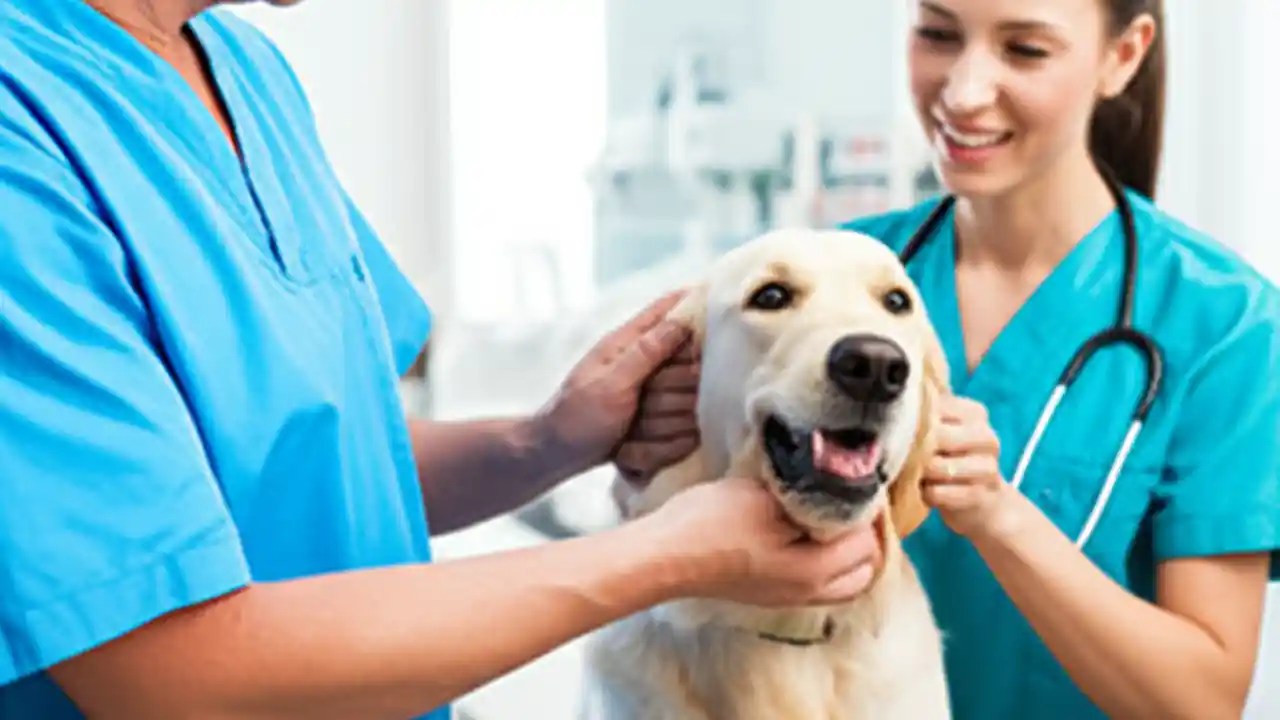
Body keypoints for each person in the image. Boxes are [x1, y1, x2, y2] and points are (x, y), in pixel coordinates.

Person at [0, 1, 887, 718]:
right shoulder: (22, 119)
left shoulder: (244, 70)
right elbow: (166, 668)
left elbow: (324, 469)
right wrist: (662, 557)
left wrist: (541, 445)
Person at [633, 0, 1279, 717]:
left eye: (1026, 50)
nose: (964, 92)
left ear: (1122, 56)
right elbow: (691, 520)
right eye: (938, 35)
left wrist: (999, 516)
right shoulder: (821, 281)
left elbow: (1203, 701)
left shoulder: (1224, 322)